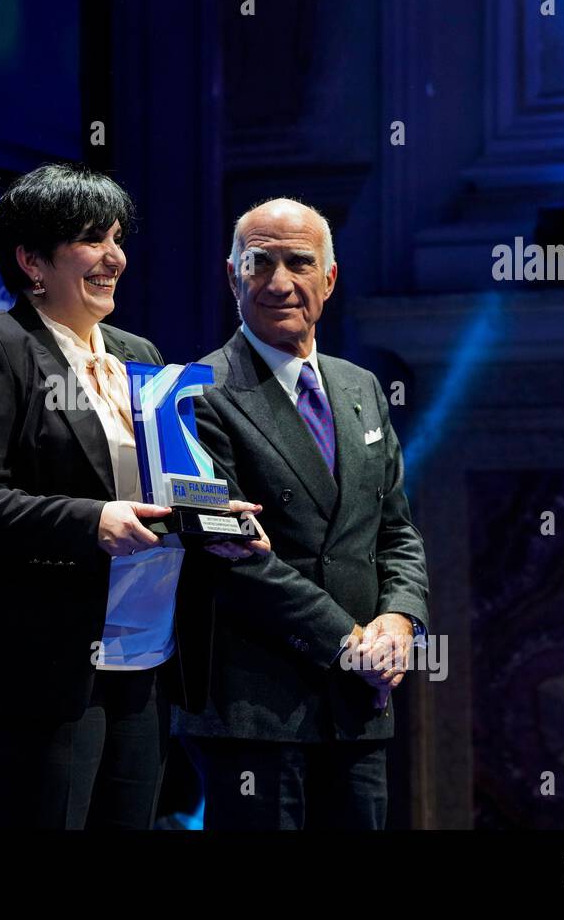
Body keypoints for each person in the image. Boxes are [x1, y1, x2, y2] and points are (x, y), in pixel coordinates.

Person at [0, 163, 266, 829]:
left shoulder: (136, 352)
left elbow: (169, 484)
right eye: (92, 238)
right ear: (32, 260)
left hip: (145, 656)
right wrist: (94, 520)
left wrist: (215, 522)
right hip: (42, 667)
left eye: (117, 237)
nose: (115, 256)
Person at [174, 198, 430, 830]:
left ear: (330, 279)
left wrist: (399, 622)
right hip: (255, 709)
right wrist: (349, 643)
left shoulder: (361, 387)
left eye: (299, 262)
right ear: (231, 274)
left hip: (358, 705)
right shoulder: (192, 390)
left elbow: (396, 530)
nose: (279, 282)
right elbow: (227, 558)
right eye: (259, 263)